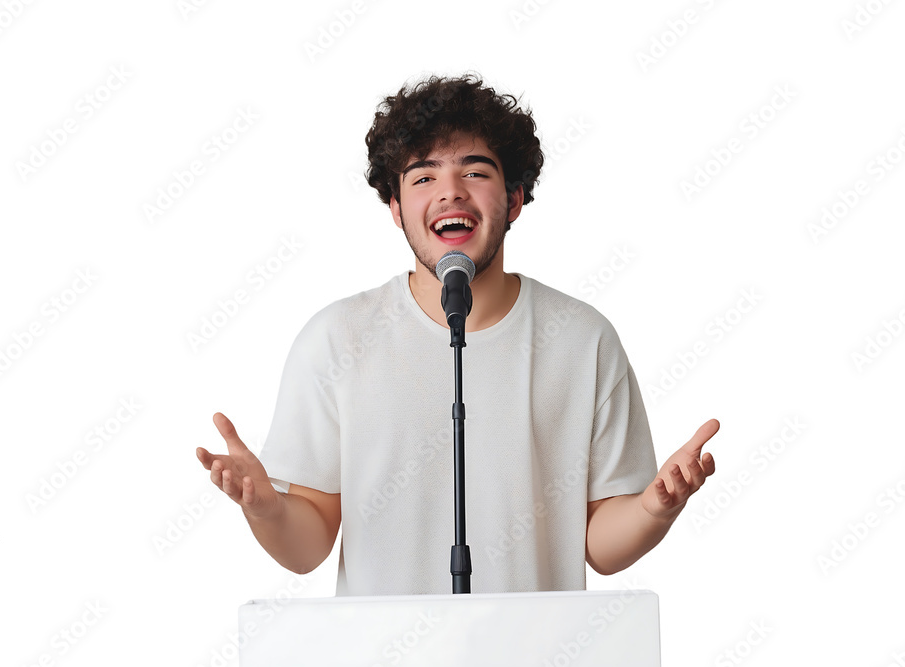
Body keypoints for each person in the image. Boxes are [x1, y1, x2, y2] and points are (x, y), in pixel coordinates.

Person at [196, 73, 719, 596]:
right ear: (397, 209)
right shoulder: (337, 339)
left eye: (474, 171)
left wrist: (654, 508)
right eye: (423, 177)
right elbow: (308, 545)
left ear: (514, 199)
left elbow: (601, 545)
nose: (450, 191)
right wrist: (265, 508)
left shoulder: (583, 340)